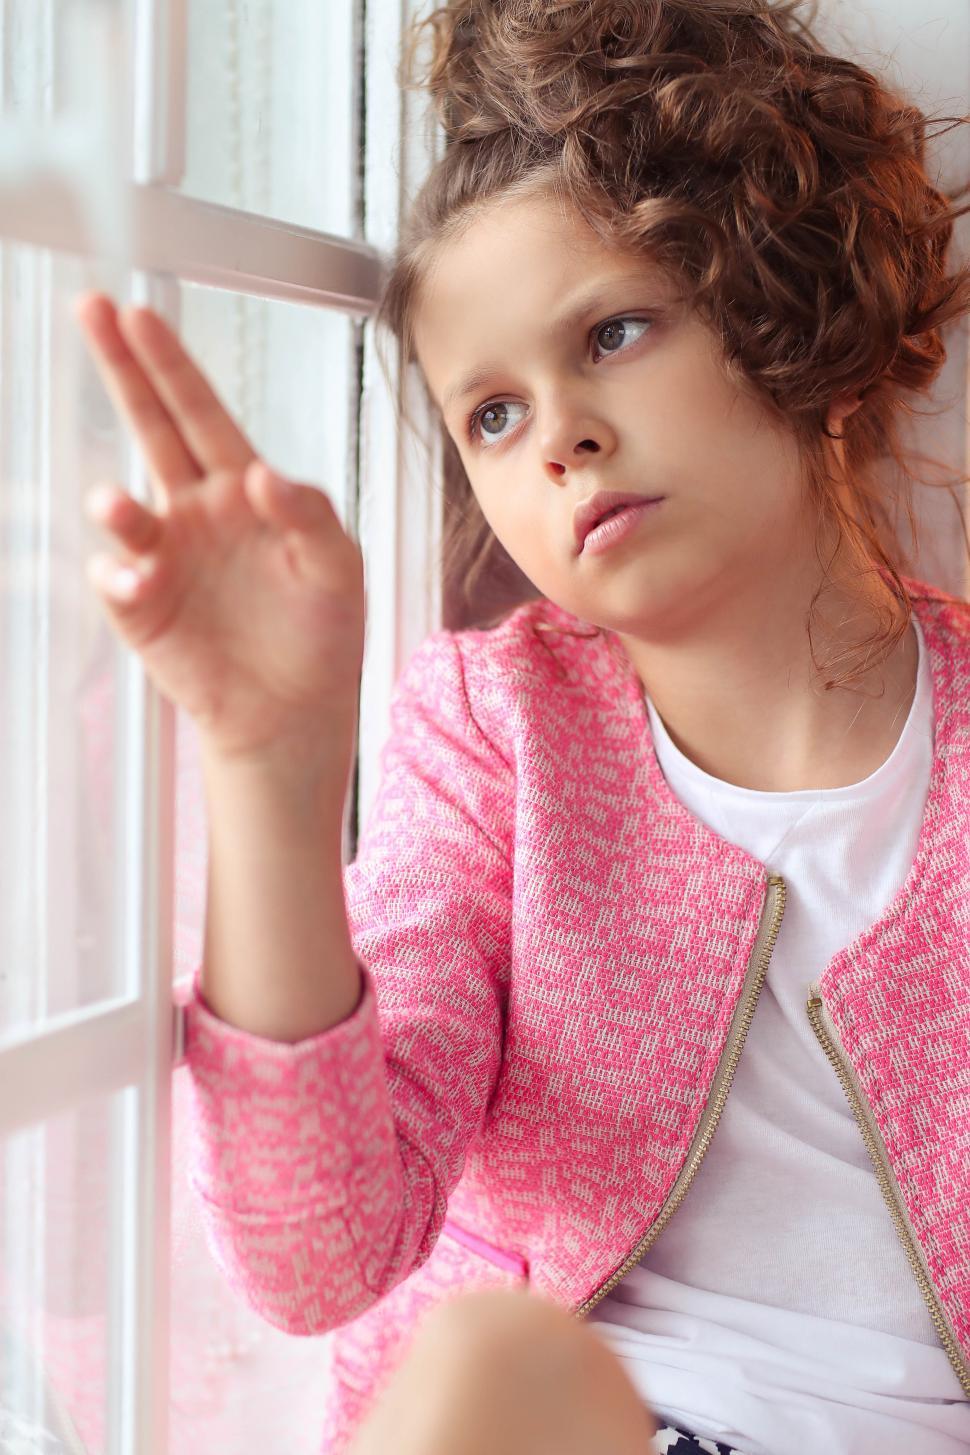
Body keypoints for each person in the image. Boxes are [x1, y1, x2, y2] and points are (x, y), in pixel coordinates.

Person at [76, 0, 970, 1452]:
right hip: (568, 1420)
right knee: (493, 1361)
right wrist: (266, 760)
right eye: (488, 415)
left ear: (782, 308)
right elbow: (317, 1260)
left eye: (614, 332)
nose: (557, 431)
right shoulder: (494, 731)